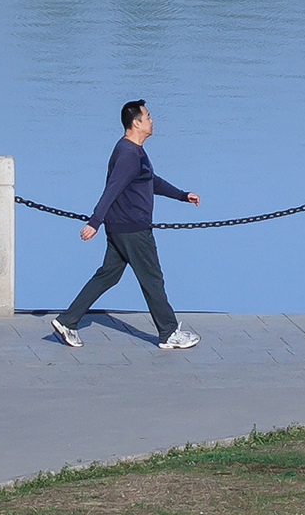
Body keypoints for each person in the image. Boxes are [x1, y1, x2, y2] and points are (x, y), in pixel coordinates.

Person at [48, 99, 203, 350]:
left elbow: (150, 181)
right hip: (133, 229)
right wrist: (94, 222)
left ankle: (67, 321)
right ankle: (168, 332)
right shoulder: (129, 154)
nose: (152, 120)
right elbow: (112, 189)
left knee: (108, 275)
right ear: (136, 122)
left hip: (121, 228)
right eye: (148, 116)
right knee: (152, 279)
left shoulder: (133, 151)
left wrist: (182, 195)